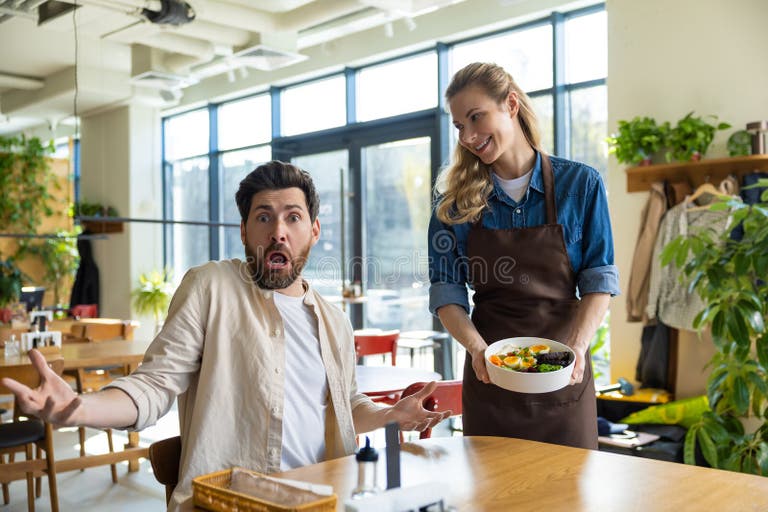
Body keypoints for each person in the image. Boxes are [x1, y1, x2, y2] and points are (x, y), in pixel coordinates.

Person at [3, 161, 449, 511]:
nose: (278, 231)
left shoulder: (332, 320)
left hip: (321, 498)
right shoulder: (210, 287)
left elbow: (345, 404)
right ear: (244, 231)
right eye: (263, 217)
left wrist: (390, 415)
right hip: (230, 503)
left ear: (313, 230)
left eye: (293, 217)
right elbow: (154, 385)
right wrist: (81, 408)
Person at [428, 62, 620, 449]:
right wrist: (478, 351)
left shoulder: (580, 185)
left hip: (564, 378)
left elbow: (599, 279)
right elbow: (446, 292)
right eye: (459, 126)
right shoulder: (453, 205)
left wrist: (578, 348)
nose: (467, 135)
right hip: (491, 381)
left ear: (510, 105)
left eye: (475, 117)